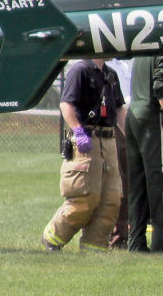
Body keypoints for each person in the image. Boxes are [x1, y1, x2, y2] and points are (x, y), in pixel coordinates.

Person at [42, 58, 126, 251]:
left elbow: (119, 109)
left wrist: (130, 135)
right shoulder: (79, 70)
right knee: (85, 199)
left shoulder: (110, 74)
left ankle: (94, 248)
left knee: (111, 200)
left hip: (109, 141)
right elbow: (66, 104)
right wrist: (78, 131)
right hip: (87, 140)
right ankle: (53, 238)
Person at [126, 55, 163, 253]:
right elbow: (161, 85)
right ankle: (162, 244)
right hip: (154, 117)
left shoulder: (143, 48)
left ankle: (136, 242)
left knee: (138, 185)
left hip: (134, 114)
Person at [104, 58, 132, 249]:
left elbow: (122, 106)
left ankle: (120, 235)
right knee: (112, 182)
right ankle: (106, 233)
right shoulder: (85, 67)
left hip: (124, 122)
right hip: (108, 125)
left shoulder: (120, 67)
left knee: (125, 183)